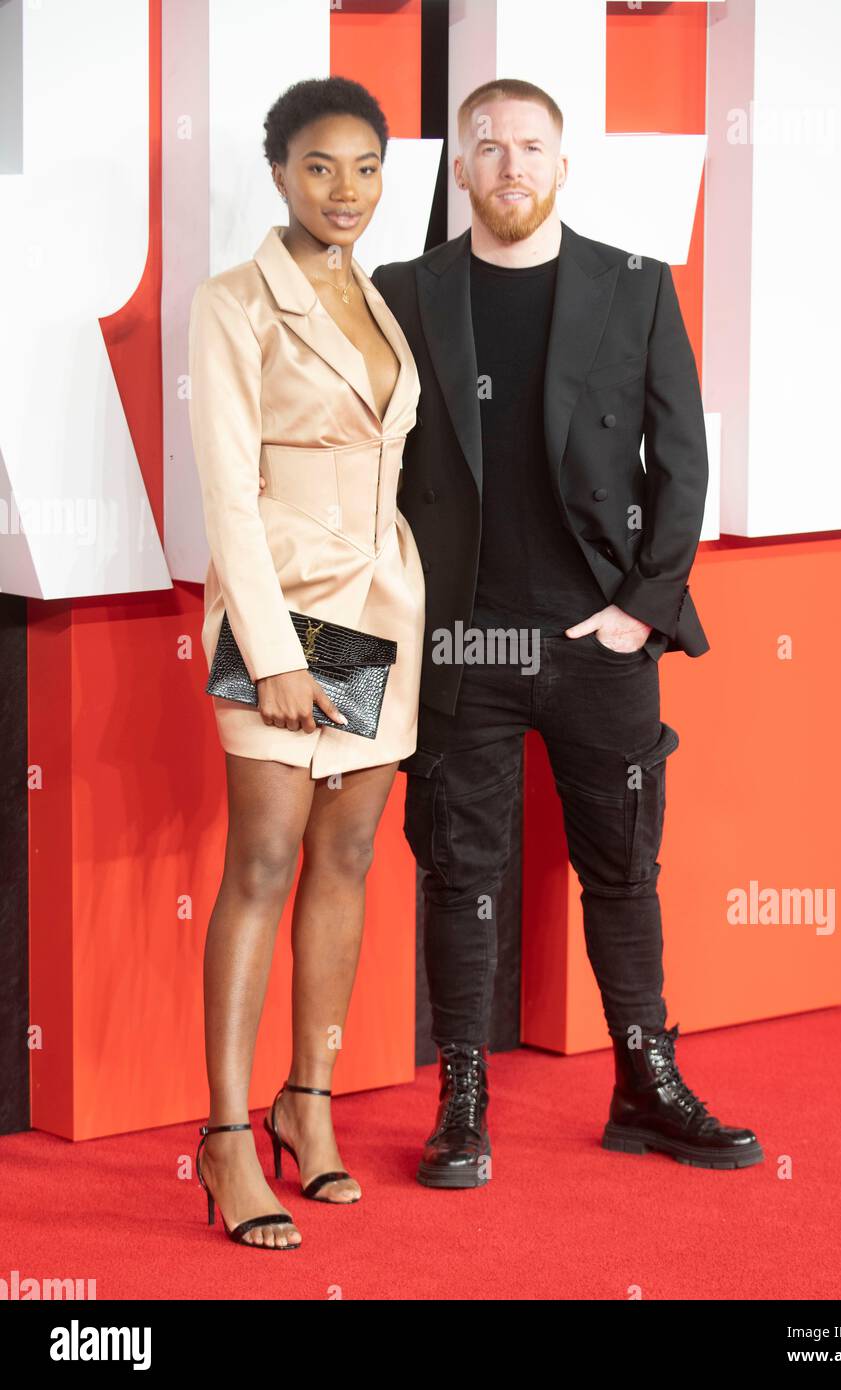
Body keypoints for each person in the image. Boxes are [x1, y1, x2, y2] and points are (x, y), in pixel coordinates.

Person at [368, 78, 763, 1186]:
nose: (509, 166)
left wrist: (642, 610)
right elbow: (368, 473)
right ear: (458, 169)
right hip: (464, 647)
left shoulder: (635, 288)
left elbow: (681, 460)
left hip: (598, 639)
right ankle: (463, 1102)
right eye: (486, 147)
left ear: (562, 164)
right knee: (461, 874)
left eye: (531, 146)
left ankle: (646, 1083)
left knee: (625, 871)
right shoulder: (403, 292)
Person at [188, 76, 424, 1248]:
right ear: (279, 169)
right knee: (264, 859)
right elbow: (228, 491)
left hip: (383, 610)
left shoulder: (379, 302)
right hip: (283, 608)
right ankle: (228, 1138)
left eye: (368, 168)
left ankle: (308, 1104)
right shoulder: (233, 302)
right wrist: (273, 649)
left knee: (347, 858)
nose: (347, 190)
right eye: (321, 166)